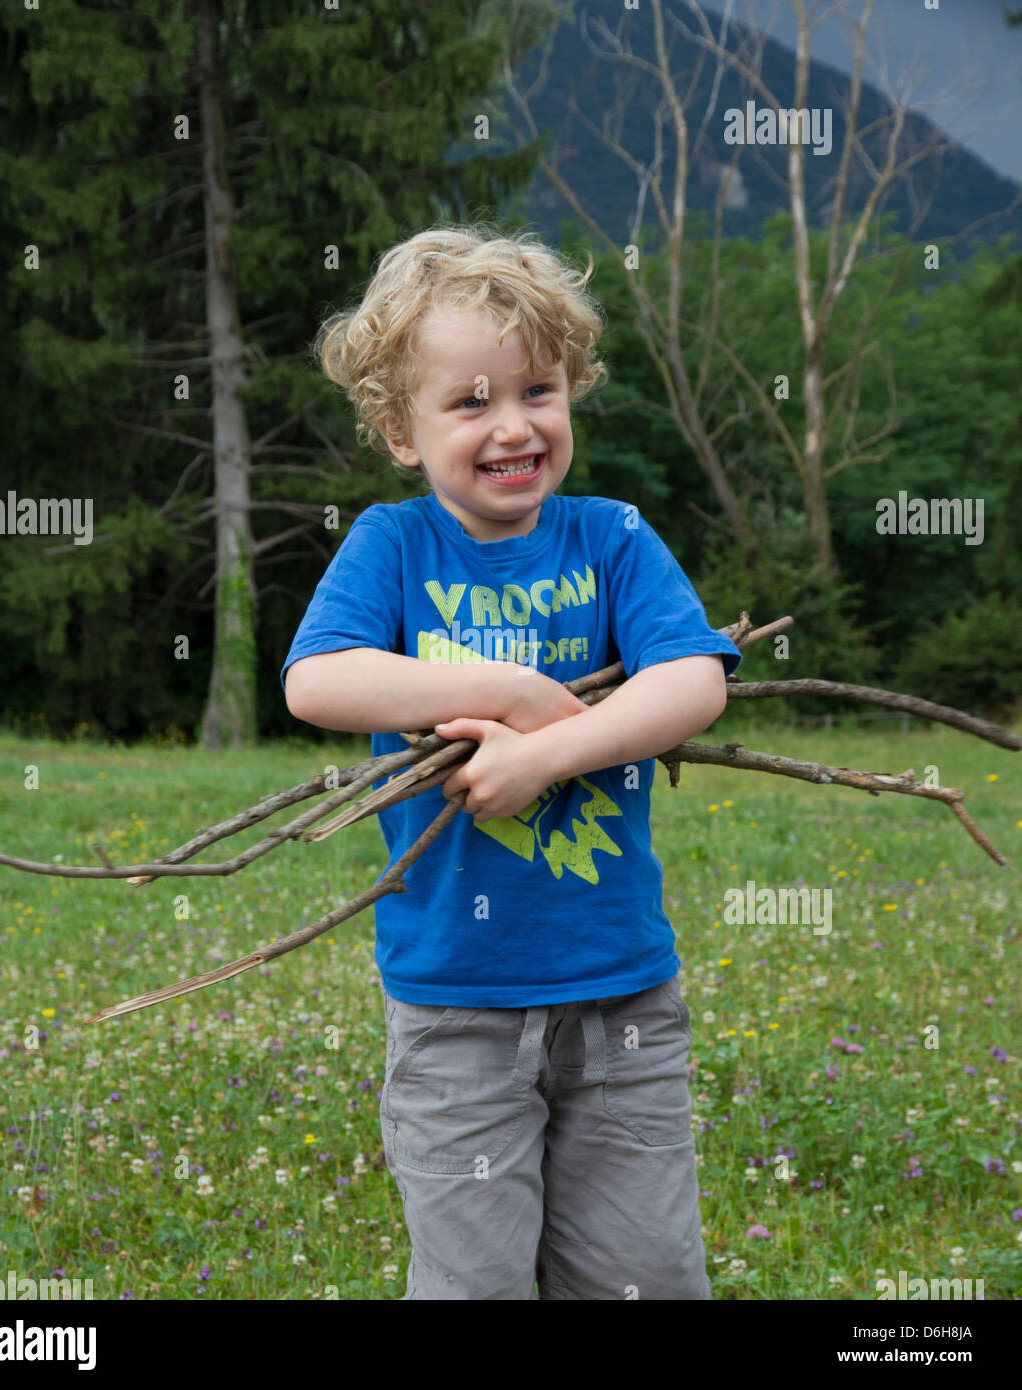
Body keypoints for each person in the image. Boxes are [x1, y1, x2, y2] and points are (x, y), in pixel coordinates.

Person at [280, 223, 742, 1299]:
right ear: (401, 430)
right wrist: (505, 693)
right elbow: (318, 680)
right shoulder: (393, 549)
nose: (513, 426)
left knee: (646, 1274)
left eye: (539, 390)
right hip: (454, 1005)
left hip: (621, 992)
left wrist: (554, 751)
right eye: (471, 401)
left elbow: (693, 682)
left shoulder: (612, 536)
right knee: (474, 1283)